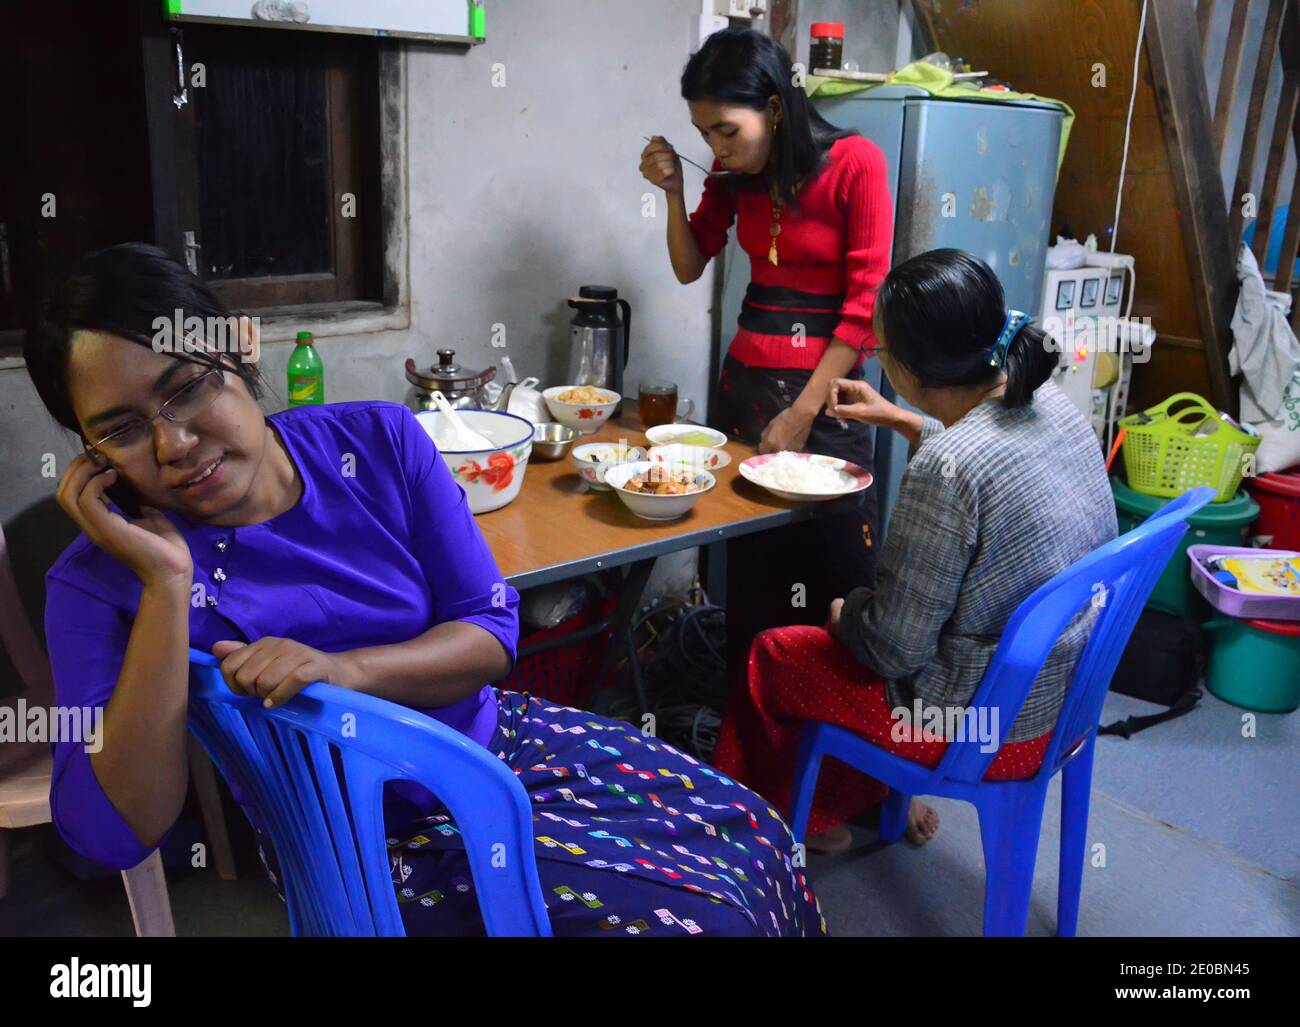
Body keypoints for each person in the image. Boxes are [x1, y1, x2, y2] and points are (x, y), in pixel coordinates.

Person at [26, 243, 825, 937]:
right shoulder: (103, 578)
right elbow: (110, 834)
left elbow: (489, 633)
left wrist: (344, 670)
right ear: (90, 454)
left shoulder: (378, 442)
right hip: (363, 841)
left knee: (756, 832)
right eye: (123, 429)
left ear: (238, 352)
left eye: (185, 388)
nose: (172, 443)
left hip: (494, 744)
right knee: (710, 920)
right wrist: (169, 587)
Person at [711, 249, 1118, 854]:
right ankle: (839, 802)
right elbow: (989, 458)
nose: (872, 359)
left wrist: (847, 615)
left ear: (913, 371)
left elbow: (892, 652)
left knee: (775, 655)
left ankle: (763, 828)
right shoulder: (1046, 400)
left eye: (878, 352)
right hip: (1063, 698)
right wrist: (899, 419)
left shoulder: (947, 469)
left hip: (975, 724)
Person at [640, 27, 894, 675]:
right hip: (746, 394)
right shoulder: (733, 175)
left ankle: (841, 754)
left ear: (775, 107)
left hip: (829, 403)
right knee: (754, 576)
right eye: (705, 135)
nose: (717, 148)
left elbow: (863, 309)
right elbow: (689, 264)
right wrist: (672, 193)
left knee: (841, 573)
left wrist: (803, 412)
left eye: (727, 130)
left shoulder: (855, 163)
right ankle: (753, 740)